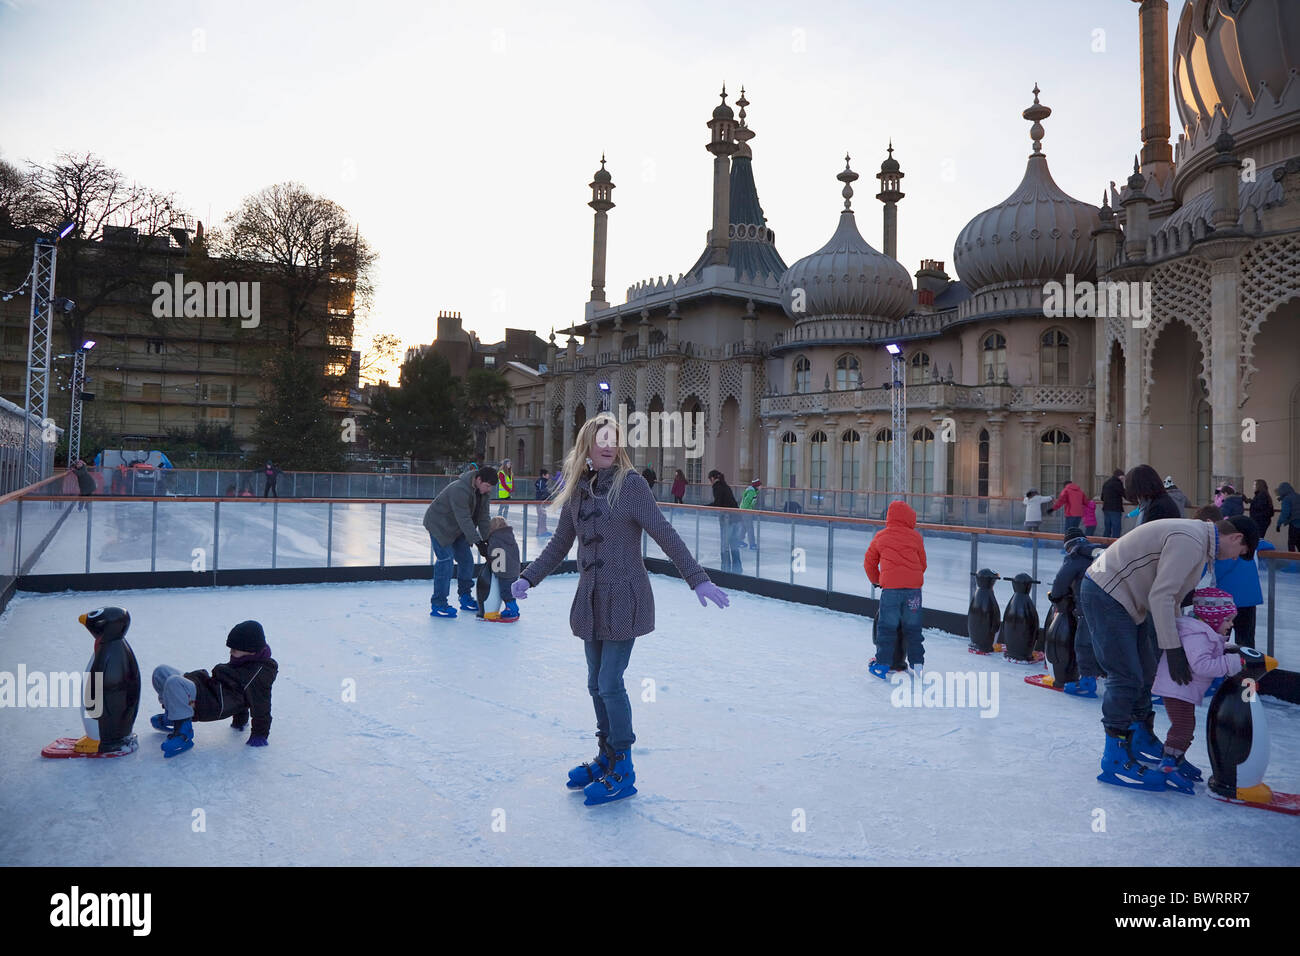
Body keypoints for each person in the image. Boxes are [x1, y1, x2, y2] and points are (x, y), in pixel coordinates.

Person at [509, 412, 729, 805]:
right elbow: (561, 543)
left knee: (610, 681)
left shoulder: (632, 487)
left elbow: (664, 532)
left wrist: (697, 578)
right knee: (595, 682)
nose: (608, 445)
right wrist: (528, 577)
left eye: (614, 438)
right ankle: (606, 755)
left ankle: (623, 764)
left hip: (625, 597)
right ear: (587, 447)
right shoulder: (579, 490)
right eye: (601, 439)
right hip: (590, 599)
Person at [1080, 516, 1256, 791]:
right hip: (1107, 592)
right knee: (1125, 674)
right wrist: (1173, 649)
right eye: (1241, 553)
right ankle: (1114, 756)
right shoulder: (1192, 541)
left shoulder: (1199, 543)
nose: (1235, 558)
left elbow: (1170, 599)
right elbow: (1161, 596)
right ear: (1236, 539)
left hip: (1127, 597)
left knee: (1146, 669)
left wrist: (1178, 644)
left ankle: (1139, 736)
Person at [1149, 588, 1248, 788]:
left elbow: (1205, 652)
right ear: (1213, 619)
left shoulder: (1203, 633)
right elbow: (1201, 665)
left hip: (1182, 689)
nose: (1231, 624)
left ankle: (1177, 757)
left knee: (1186, 725)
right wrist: (1231, 662)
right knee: (1183, 727)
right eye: (1227, 619)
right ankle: (1169, 763)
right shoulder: (1198, 636)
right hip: (1177, 690)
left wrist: (1225, 650)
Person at [149, 620, 278, 758]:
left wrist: (260, 733)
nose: (230, 651)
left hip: (211, 704)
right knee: (161, 672)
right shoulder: (244, 660)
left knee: (175, 682)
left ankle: (183, 734)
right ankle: (175, 716)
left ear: (251, 650)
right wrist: (240, 721)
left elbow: (260, 702)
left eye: (234, 649)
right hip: (210, 690)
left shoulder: (259, 673)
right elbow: (242, 692)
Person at [863, 500, 927, 680]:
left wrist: (877, 580)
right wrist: (911, 578)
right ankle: (918, 664)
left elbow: (869, 563)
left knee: (887, 627)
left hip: (890, 589)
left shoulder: (881, 536)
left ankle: (882, 665)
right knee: (913, 628)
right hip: (914, 590)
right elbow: (922, 564)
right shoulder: (916, 537)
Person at [423, 465, 497, 617]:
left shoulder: (484, 493)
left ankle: (465, 597)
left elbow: (483, 517)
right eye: (487, 486)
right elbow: (463, 518)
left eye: (491, 487)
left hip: (458, 529)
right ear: (478, 479)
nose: (489, 489)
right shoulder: (459, 489)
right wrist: (478, 542)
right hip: (440, 526)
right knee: (446, 560)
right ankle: (439, 603)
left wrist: (488, 540)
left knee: (467, 561)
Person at [1050, 528, 1105, 696]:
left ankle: (1087, 682)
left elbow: (1061, 581)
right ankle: (1112, 678)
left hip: (1089, 606)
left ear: (1068, 544)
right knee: (1108, 643)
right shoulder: (1100, 552)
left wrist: (1056, 597)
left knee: (1084, 644)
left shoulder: (1075, 555)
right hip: (1114, 604)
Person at [1214, 516, 1266, 649]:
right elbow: (1268, 545)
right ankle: (1247, 666)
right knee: (1246, 641)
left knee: (1219, 639)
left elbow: (1216, 573)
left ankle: (1220, 666)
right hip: (1248, 600)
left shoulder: (1224, 552)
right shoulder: (1248, 547)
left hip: (1225, 601)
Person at [476, 515, 521, 622]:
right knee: (510, 590)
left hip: (504, 571)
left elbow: (493, 553)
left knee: (506, 592)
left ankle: (512, 610)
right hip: (514, 570)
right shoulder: (510, 537)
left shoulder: (496, 539)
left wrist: (486, 550)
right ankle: (511, 608)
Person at [708, 469, 742, 572]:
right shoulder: (725, 485)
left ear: (713, 478)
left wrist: (704, 507)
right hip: (737, 518)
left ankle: (725, 569)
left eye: (710, 480)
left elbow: (717, 504)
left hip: (728, 519)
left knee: (725, 545)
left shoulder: (717, 487)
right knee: (734, 545)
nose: (710, 482)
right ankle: (737, 569)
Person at [1100, 468, 1125, 538]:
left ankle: (1104, 544)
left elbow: (1102, 497)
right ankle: (1115, 544)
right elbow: (1124, 493)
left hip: (1106, 508)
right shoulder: (1117, 483)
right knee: (1116, 528)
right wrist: (1134, 500)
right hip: (1115, 509)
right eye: (1123, 478)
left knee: (1107, 528)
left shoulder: (1106, 483)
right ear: (1119, 476)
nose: (1123, 480)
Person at [1277, 481, 1300, 552]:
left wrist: (1279, 524)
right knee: (1298, 543)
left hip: (1294, 524)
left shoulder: (1286, 499)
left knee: (1291, 543)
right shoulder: (1298, 496)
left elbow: (1285, 513)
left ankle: (1292, 560)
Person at [739, 478, 760, 548]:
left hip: (744, 510)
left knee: (744, 527)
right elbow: (746, 501)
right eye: (760, 485)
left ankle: (739, 541)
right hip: (746, 511)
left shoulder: (753, 491)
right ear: (757, 486)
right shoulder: (751, 492)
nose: (761, 487)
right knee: (750, 527)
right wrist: (746, 510)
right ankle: (752, 544)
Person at [534, 468, 552, 537]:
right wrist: (547, 494)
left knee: (543, 516)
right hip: (540, 501)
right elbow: (542, 490)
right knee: (542, 516)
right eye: (547, 474)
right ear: (544, 475)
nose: (548, 475)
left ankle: (542, 531)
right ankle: (541, 532)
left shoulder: (544, 481)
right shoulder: (541, 481)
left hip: (542, 501)